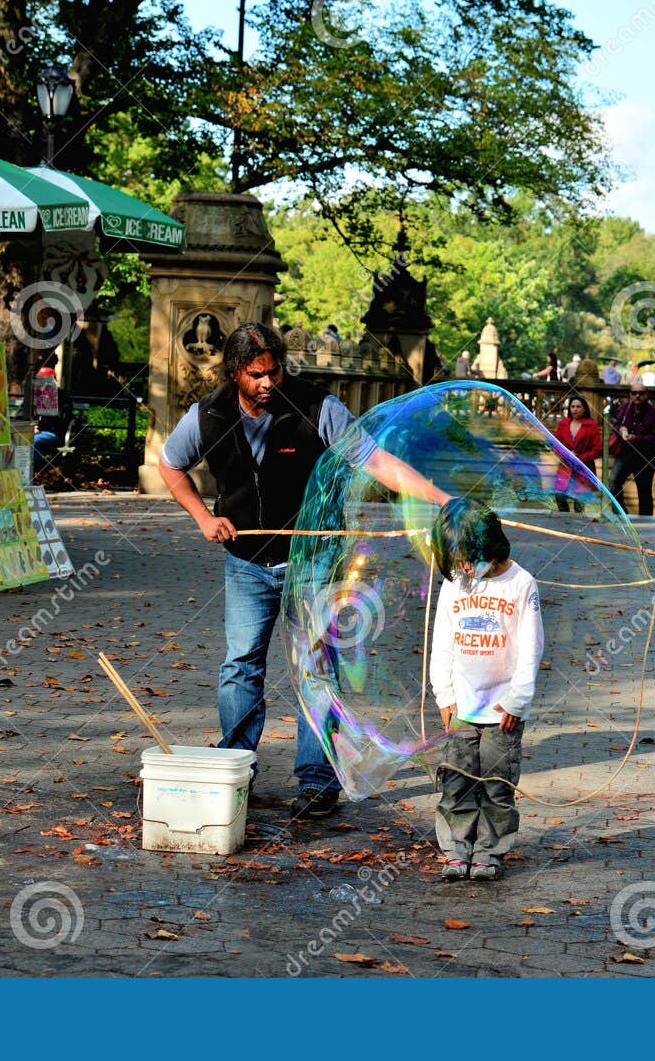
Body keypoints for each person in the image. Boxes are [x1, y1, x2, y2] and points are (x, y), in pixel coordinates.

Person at [159, 322, 451, 818]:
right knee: (240, 665)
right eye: (256, 375)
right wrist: (204, 518)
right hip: (247, 563)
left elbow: (376, 461)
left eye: (274, 372)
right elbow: (170, 465)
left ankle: (317, 782)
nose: (268, 383)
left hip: (313, 560)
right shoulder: (205, 415)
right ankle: (236, 767)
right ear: (235, 374)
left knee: (317, 668)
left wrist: (443, 499)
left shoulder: (319, 408)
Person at [429, 500, 542, 881]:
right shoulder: (454, 583)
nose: (462, 568)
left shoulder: (521, 584)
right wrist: (444, 694)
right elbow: (442, 641)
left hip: (502, 712)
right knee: (456, 783)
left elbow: (531, 649)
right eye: (455, 560)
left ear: (491, 546)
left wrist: (518, 699)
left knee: (498, 785)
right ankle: (456, 849)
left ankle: (489, 851)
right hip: (461, 705)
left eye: (468, 559)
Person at [608, 384, 655, 516]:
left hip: (645, 456)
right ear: (630, 394)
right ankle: (621, 514)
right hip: (625, 453)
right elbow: (616, 425)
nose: (637, 396)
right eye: (634, 393)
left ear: (647, 395)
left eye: (641, 393)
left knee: (644, 491)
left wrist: (636, 438)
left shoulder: (654, 412)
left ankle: (646, 522)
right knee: (613, 483)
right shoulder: (626, 407)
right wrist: (620, 429)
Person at [551, 394, 602, 511]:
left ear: (584, 409)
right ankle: (565, 521)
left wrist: (580, 458)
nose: (575, 409)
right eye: (572, 406)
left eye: (578, 406)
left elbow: (597, 450)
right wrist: (567, 455)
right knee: (560, 496)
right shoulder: (563, 424)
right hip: (565, 467)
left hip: (583, 469)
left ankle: (577, 524)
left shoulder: (591, 425)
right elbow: (556, 446)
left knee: (579, 502)